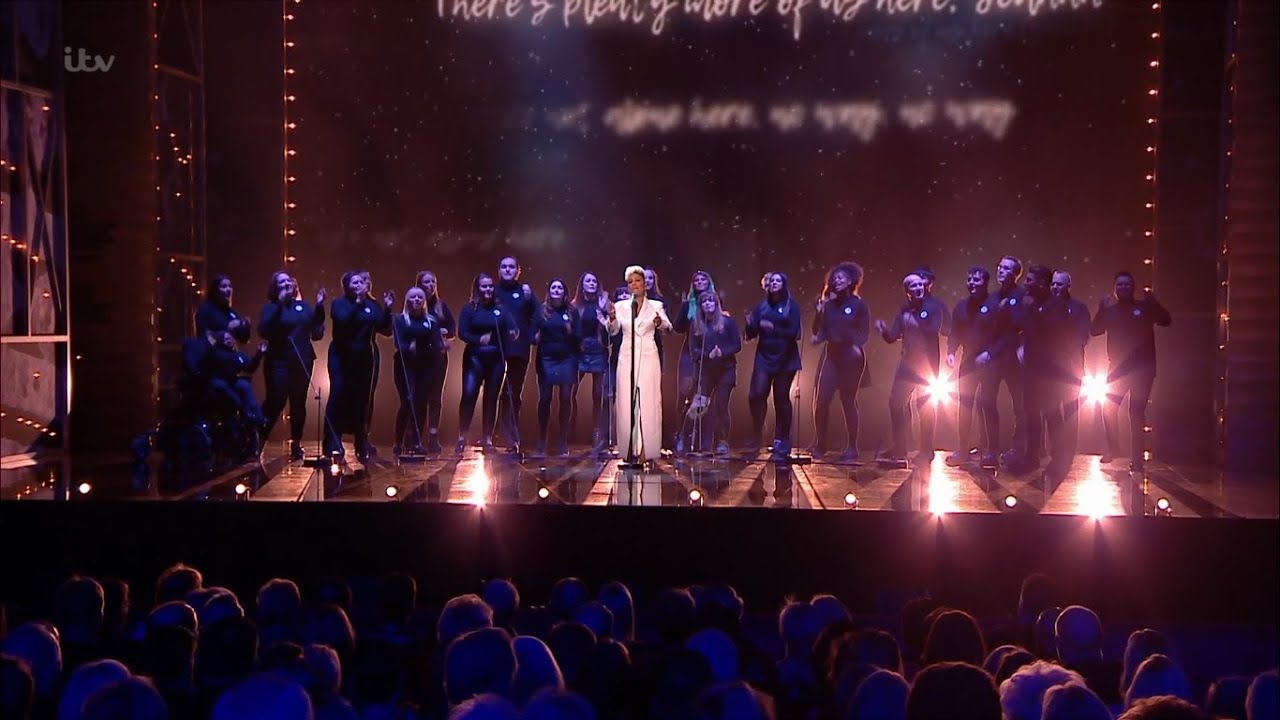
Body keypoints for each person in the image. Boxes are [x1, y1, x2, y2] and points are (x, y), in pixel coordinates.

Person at [1091, 271, 1172, 472]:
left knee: (1136, 412)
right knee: (1108, 408)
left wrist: (1153, 301)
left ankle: (1137, 459)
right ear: (1114, 289)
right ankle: (1113, 448)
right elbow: (1094, 330)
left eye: (1127, 284)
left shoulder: (1144, 308)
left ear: (1132, 287)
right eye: (1119, 285)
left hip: (1142, 369)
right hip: (1117, 369)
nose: (1123, 287)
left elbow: (1166, 320)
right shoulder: (1110, 311)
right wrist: (1101, 309)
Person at [877, 272, 950, 463]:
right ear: (907, 291)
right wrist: (883, 330)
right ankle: (900, 446)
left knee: (924, 405)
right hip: (907, 364)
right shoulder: (904, 310)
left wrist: (915, 320)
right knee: (895, 402)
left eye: (920, 284)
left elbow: (934, 329)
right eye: (913, 286)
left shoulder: (933, 307)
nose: (918, 288)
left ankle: (926, 450)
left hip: (927, 365)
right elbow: (893, 336)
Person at [324, 270, 393, 463]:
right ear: (346, 286)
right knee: (338, 394)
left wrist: (387, 309)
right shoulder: (339, 303)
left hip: (363, 357)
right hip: (341, 356)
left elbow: (384, 329)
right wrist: (357, 303)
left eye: (361, 282)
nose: (359, 285)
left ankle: (360, 441)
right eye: (354, 283)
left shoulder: (372, 305)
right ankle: (333, 440)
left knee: (362, 399)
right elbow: (343, 321)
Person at [608, 265, 673, 464]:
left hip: (648, 357)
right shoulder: (621, 306)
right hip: (627, 356)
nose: (634, 284)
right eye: (630, 282)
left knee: (649, 403)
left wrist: (659, 323)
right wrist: (611, 320)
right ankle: (628, 450)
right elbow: (613, 331)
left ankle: (647, 451)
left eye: (638, 280)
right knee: (626, 403)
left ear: (645, 284)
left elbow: (668, 327)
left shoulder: (656, 305)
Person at [258, 272, 326, 461]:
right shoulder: (271, 308)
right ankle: (258, 440)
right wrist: (280, 304)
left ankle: (296, 442)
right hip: (278, 360)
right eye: (282, 281)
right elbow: (264, 330)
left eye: (288, 280)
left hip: (302, 359)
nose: (286, 283)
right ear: (275, 287)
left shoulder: (302, 306)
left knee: (298, 402)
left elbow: (315, 328)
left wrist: (320, 306)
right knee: (276, 400)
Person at [809, 262, 870, 462]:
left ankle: (852, 447)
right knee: (821, 401)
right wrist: (818, 328)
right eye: (835, 278)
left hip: (851, 358)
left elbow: (864, 332)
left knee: (848, 401)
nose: (837, 280)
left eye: (841, 277)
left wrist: (856, 346)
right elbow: (819, 330)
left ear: (851, 281)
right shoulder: (828, 305)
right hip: (832, 356)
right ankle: (821, 444)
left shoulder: (858, 305)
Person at [457, 273, 519, 454]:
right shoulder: (469, 309)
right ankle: (462, 435)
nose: (488, 289)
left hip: (496, 360)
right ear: (477, 288)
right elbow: (462, 332)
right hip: (474, 358)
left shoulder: (500, 309)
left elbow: (513, 327)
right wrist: (478, 339)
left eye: (491, 286)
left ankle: (488, 438)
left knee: (491, 398)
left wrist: (513, 333)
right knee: (469, 395)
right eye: (484, 286)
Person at [946, 266, 1002, 467]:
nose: (971, 283)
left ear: (985, 282)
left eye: (976, 280)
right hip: (968, 362)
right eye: (969, 279)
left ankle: (992, 451)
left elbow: (1003, 334)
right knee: (964, 405)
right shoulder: (961, 306)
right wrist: (951, 352)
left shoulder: (995, 304)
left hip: (989, 362)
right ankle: (963, 449)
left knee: (988, 404)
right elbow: (954, 332)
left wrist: (991, 353)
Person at [745, 271, 802, 460]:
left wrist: (774, 328)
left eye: (778, 280)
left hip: (786, 357)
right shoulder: (761, 307)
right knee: (757, 394)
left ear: (784, 284)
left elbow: (795, 332)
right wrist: (750, 325)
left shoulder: (791, 306)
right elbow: (751, 333)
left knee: (781, 397)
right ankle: (756, 436)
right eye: (772, 281)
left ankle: (783, 438)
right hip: (764, 355)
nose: (774, 283)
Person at [685, 290, 741, 455]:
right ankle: (691, 440)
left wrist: (722, 352)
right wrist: (707, 355)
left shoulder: (728, 322)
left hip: (726, 371)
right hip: (706, 371)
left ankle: (722, 441)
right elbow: (694, 350)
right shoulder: (696, 325)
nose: (708, 304)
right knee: (699, 406)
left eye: (711, 301)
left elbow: (736, 345)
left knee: (721, 405)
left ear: (716, 304)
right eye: (704, 302)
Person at [391, 287, 444, 455]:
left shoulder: (431, 321)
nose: (417, 300)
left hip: (425, 365)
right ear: (407, 300)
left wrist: (439, 347)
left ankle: (417, 441)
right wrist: (409, 348)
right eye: (413, 297)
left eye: (420, 297)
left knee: (421, 402)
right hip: (405, 365)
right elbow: (399, 343)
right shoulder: (399, 319)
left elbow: (436, 343)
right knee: (407, 400)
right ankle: (398, 441)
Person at [671, 271, 719, 454]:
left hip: (709, 354)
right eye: (696, 280)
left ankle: (704, 441)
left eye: (703, 279)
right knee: (685, 394)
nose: (699, 282)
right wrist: (684, 305)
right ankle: (681, 435)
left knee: (706, 399)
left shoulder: (715, 300)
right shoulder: (688, 304)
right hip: (689, 353)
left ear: (708, 282)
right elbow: (677, 327)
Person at [495, 256, 538, 454]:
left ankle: (510, 436)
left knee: (512, 392)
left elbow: (538, 314)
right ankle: (491, 435)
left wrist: (531, 335)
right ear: (499, 270)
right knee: (493, 392)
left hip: (519, 349)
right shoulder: (493, 291)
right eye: (504, 266)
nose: (507, 270)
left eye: (511, 267)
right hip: (496, 349)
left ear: (518, 270)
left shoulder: (526, 292)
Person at [533, 279, 580, 457]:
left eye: (560, 287)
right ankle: (541, 439)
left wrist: (570, 331)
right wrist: (535, 337)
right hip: (546, 358)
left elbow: (579, 336)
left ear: (565, 292)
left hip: (567, 358)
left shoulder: (572, 311)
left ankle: (563, 441)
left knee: (566, 398)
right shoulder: (542, 311)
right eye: (554, 287)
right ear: (549, 291)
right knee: (545, 398)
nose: (557, 290)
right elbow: (532, 333)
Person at [991, 256, 1030, 465]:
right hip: (995, 358)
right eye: (999, 267)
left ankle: (1020, 448)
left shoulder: (1022, 295)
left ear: (1015, 274)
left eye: (1006, 268)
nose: (1000, 270)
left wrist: (1006, 309)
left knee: (1020, 405)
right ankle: (990, 448)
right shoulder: (993, 296)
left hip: (1014, 358)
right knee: (988, 402)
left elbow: (1020, 324)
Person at [416, 270, 458, 455]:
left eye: (433, 282)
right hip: (419, 357)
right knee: (419, 397)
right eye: (427, 282)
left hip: (438, 357)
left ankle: (433, 436)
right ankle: (415, 436)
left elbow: (452, 328)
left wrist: (446, 332)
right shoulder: (415, 302)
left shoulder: (441, 306)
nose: (431, 285)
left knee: (435, 396)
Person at [571, 272, 612, 455]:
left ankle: (598, 434)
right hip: (580, 351)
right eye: (588, 281)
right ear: (582, 285)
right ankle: (570, 429)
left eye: (594, 281)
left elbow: (611, 328)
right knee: (570, 391)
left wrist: (603, 311)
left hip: (598, 349)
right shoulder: (575, 305)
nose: (591, 283)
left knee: (598, 394)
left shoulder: (604, 303)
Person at [196, 274, 251, 344]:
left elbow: (244, 340)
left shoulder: (232, 313)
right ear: (215, 291)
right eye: (224, 286)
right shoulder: (205, 309)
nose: (228, 289)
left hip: (229, 350)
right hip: (212, 350)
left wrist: (245, 327)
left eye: (230, 286)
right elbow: (202, 336)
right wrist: (225, 331)